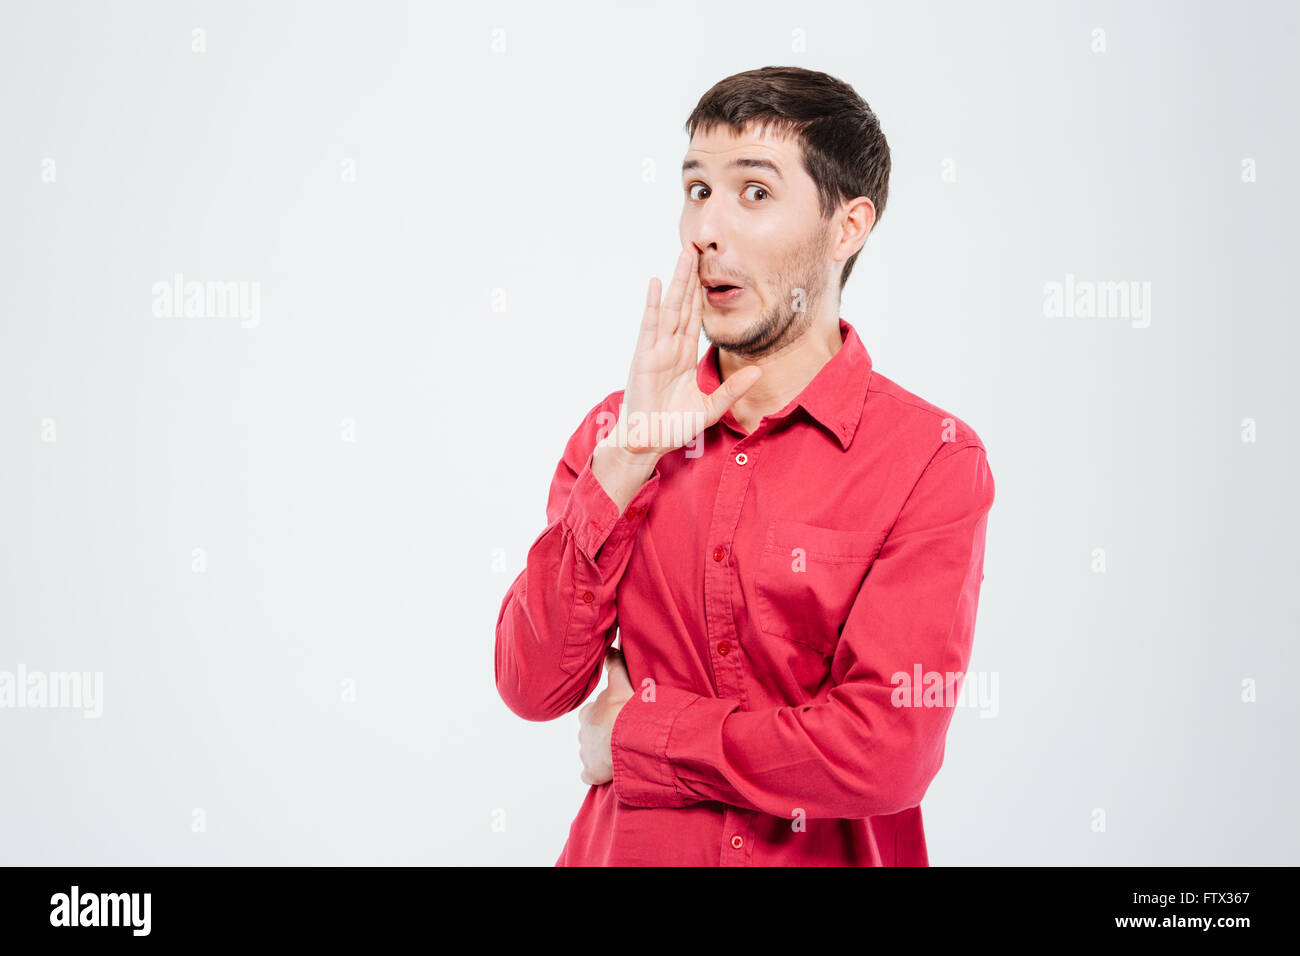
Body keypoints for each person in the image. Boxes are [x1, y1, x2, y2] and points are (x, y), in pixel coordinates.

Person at [494, 66, 995, 866]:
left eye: (752, 193)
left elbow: (885, 751)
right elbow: (531, 686)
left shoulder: (930, 460)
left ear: (847, 227)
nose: (705, 230)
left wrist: (640, 736)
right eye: (696, 189)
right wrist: (625, 463)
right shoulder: (614, 434)